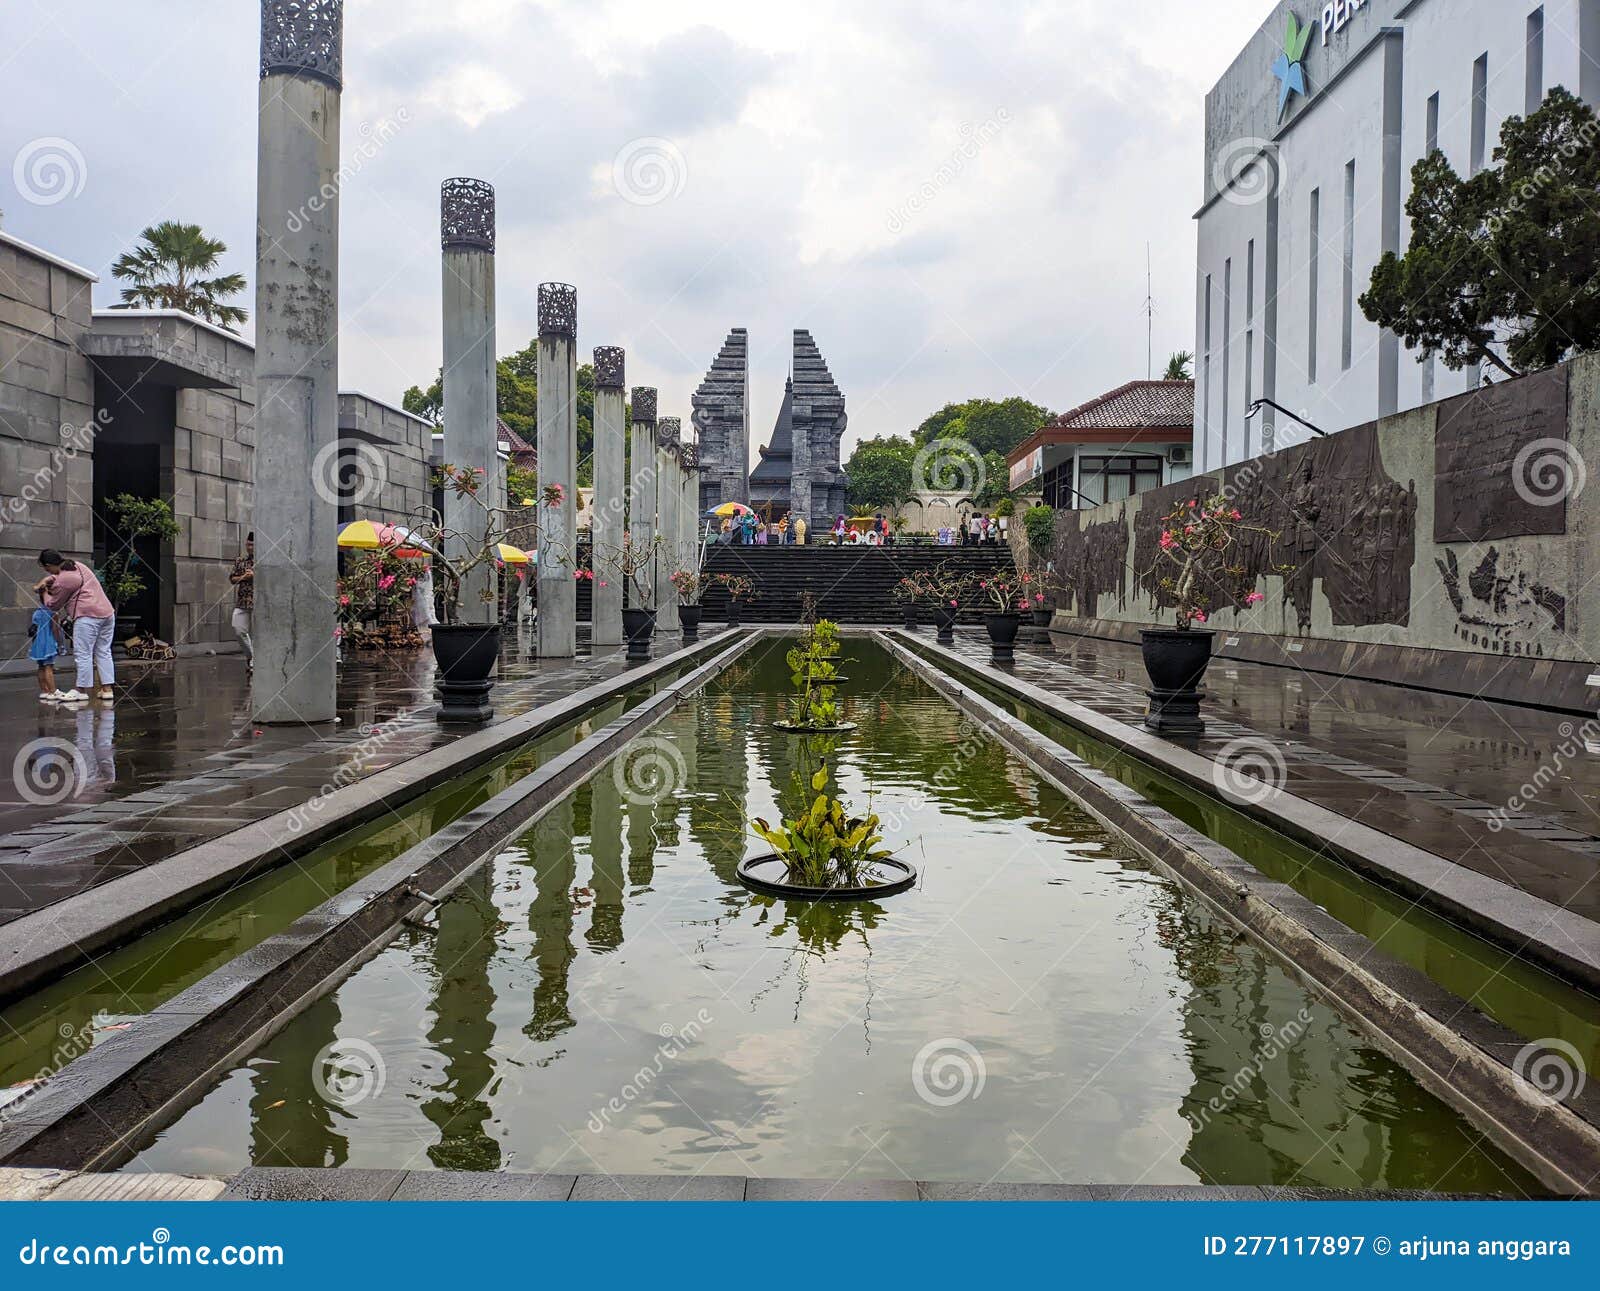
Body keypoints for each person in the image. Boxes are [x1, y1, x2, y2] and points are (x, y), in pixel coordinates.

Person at [35, 549, 115, 703]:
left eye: (46, 568)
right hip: (107, 613)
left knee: (83, 653)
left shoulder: (63, 580)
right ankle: (107, 689)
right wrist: (49, 578)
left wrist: (44, 591)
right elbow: (58, 576)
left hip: (87, 616)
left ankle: (81, 690)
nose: (47, 571)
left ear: (50, 564)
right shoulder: (78, 566)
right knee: (104, 651)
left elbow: (53, 605)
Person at [29, 590, 61, 703]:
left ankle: (44, 690)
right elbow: (55, 629)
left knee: (41, 667)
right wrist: (59, 643)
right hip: (49, 642)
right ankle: (53, 691)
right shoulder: (54, 613)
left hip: (38, 643)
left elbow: (34, 628)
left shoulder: (37, 612)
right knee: (49, 667)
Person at [230, 532, 255, 669]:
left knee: (260, 635)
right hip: (243, 601)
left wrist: (255, 575)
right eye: (248, 544)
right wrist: (245, 577)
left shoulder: (265, 561)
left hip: (260, 602)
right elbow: (232, 579)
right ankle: (251, 657)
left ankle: (254, 663)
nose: (249, 547)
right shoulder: (240, 561)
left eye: (252, 545)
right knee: (238, 630)